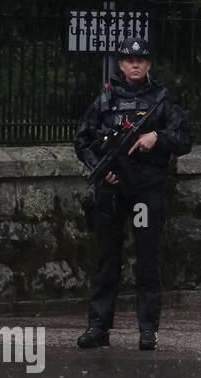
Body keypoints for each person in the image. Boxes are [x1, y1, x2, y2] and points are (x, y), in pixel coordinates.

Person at [73, 37, 192, 351]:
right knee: (106, 258)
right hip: (112, 187)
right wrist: (102, 167)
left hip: (147, 186)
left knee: (147, 259)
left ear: (148, 64)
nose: (135, 65)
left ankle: (147, 330)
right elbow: (82, 140)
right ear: (121, 65)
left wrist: (158, 137)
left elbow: (185, 138)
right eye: (129, 60)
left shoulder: (162, 98)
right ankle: (98, 327)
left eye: (141, 60)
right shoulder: (106, 98)